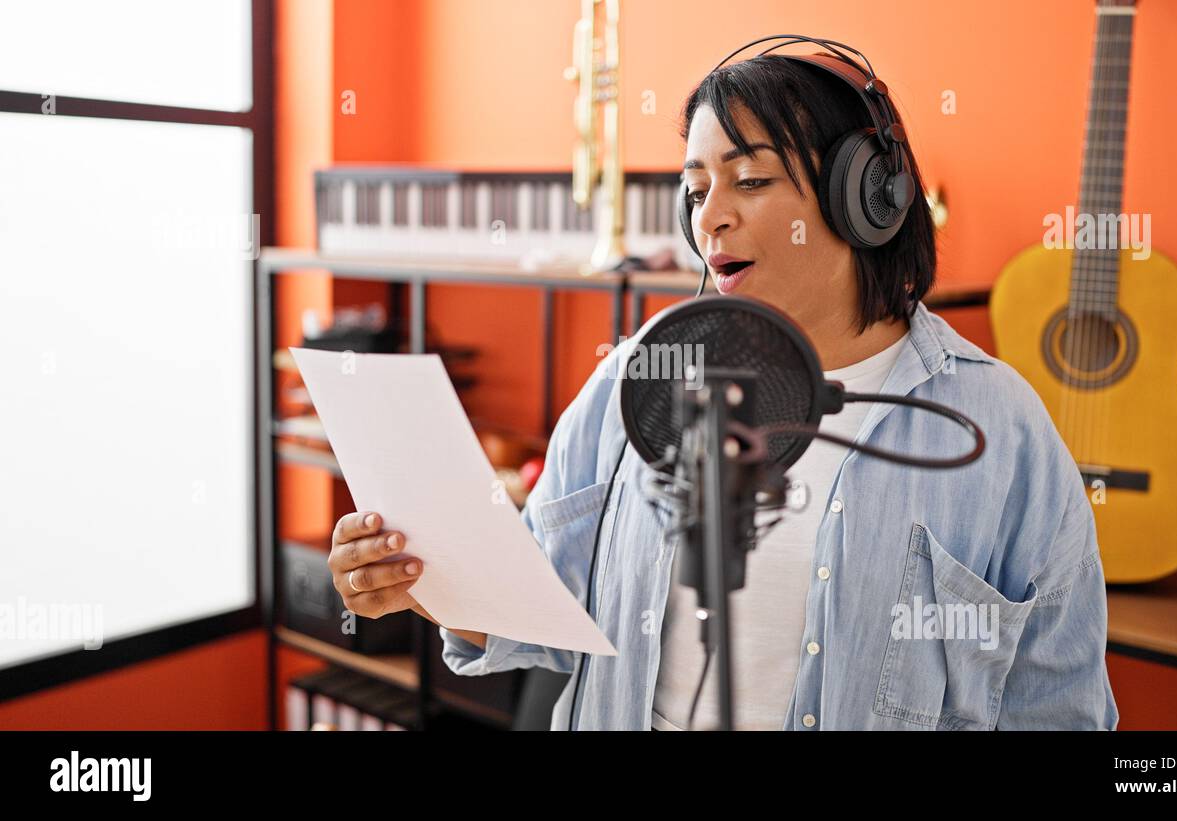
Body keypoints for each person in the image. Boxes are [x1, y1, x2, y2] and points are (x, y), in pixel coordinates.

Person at [327, 42, 1119, 731]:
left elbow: (1058, 707)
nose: (711, 218)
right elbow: (533, 604)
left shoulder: (1001, 433)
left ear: (866, 199)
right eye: (698, 188)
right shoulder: (639, 376)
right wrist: (411, 581)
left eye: (749, 181)